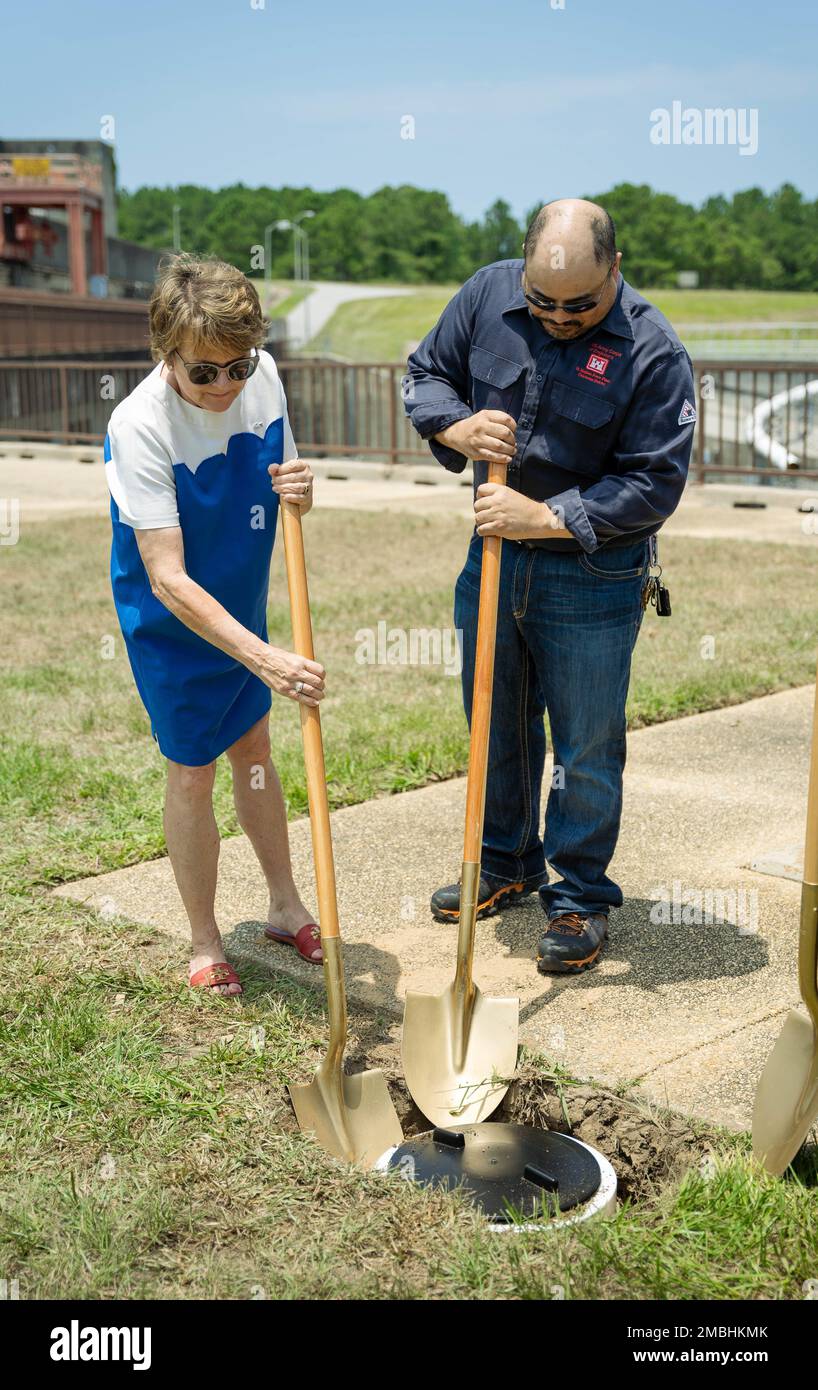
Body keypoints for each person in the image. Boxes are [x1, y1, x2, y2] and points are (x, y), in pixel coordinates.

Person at [404, 198, 697, 975]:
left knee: (586, 741)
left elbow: (654, 482)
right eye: (543, 301)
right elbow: (425, 374)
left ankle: (580, 899)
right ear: (522, 268)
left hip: (593, 575)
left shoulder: (655, 353)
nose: (560, 316)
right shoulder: (483, 294)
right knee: (493, 720)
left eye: (581, 304)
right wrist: (454, 427)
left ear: (617, 269)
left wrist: (547, 516)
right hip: (494, 561)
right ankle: (504, 865)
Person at [104, 252, 325, 996]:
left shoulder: (262, 377)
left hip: (238, 593)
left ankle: (283, 902)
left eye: (238, 363)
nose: (226, 384)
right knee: (192, 766)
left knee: (255, 744)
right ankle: (203, 939)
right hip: (171, 619)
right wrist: (263, 656)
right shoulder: (138, 426)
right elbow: (167, 576)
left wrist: (301, 489)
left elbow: (286, 491)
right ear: (166, 353)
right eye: (204, 372)